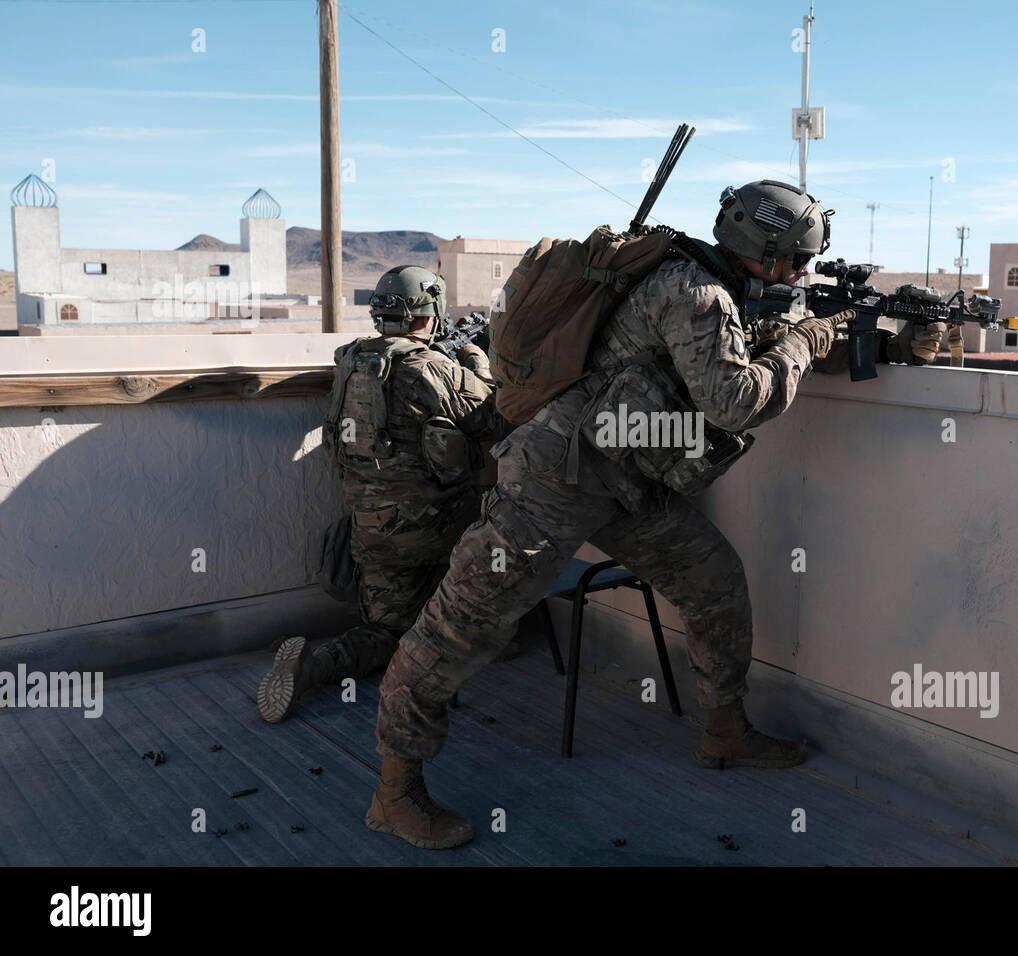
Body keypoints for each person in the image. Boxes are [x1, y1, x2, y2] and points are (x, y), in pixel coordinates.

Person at [366, 181, 946, 850]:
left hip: (620, 479)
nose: (804, 274)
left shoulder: (713, 287)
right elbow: (734, 398)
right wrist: (802, 345)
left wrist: (894, 344)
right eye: (796, 260)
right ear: (764, 253)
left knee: (713, 579)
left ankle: (724, 728)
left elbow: (757, 343)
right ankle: (395, 791)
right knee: (460, 623)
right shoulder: (696, 293)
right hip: (554, 480)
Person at [256, 265, 510, 724]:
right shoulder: (427, 367)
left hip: (369, 530)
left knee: (382, 630)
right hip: (435, 529)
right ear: (430, 312)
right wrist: (476, 360)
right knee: (496, 556)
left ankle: (314, 663)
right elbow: (495, 420)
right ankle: (464, 645)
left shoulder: (351, 361)